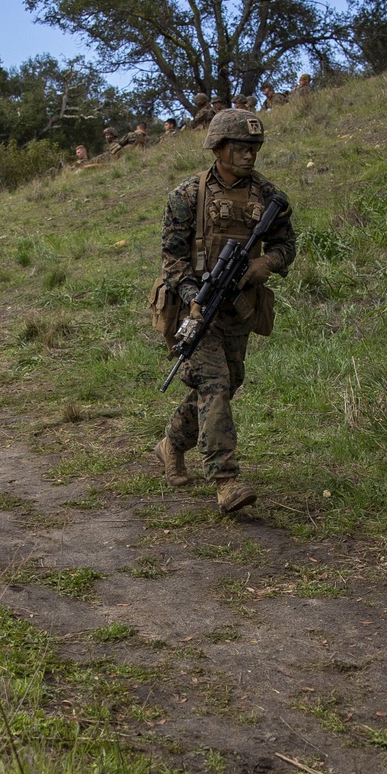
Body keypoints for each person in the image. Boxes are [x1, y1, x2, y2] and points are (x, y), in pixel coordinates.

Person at [154, 109, 296, 514]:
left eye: (254, 148)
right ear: (217, 148)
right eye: (239, 148)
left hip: (240, 307)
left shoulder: (268, 197)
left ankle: (171, 443)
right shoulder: (187, 196)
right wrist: (194, 293)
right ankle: (225, 480)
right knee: (214, 383)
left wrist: (264, 265)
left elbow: (286, 246)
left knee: (227, 383)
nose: (249, 155)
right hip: (196, 308)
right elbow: (172, 259)